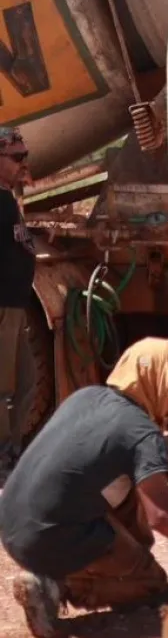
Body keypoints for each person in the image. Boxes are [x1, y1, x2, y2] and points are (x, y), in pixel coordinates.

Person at [0, 337, 168, 638]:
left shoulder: (87, 396)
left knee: (132, 486)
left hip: (12, 527)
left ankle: (97, 564)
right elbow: (161, 516)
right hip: (47, 538)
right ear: (151, 377)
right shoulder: (142, 433)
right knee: (151, 586)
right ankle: (55, 587)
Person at [0, 126, 34, 480]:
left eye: (25, 156)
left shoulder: (7, 198)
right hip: (2, 305)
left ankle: (14, 450)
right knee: (3, 388)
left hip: (15, 304)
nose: (23, 164)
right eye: (17, 157)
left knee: (26, 382)